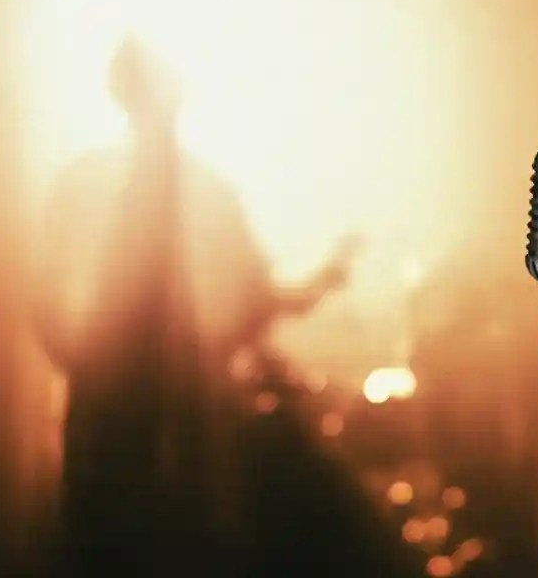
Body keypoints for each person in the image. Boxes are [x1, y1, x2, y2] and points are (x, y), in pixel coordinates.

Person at [31, 37, 361, 575]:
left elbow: (44, 295)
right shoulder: (179, 190)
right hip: (150, 422)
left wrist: (91, 365)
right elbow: (260, 301)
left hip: (158, 421)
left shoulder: (116, 186)